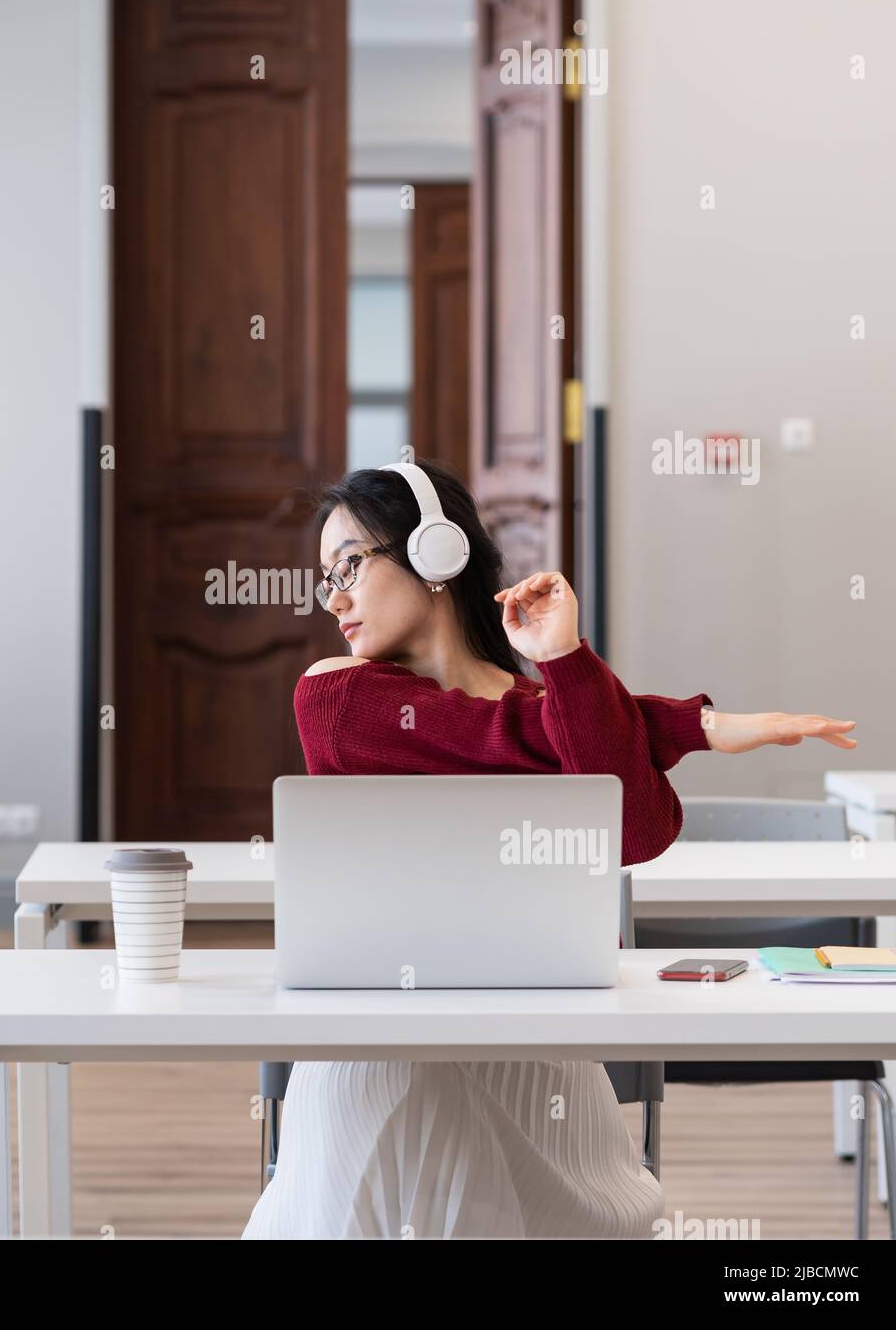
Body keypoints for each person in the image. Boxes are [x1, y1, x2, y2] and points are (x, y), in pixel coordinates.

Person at [241, 460, 856, 1239]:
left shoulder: (558, 704)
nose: (334, 597)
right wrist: (680, 726)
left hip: (538, 1056)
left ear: (435, 554)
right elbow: (488, 737)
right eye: (326, 576)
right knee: (419, 1116)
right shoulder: (336, 698)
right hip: (379, 1046)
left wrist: (565, 663)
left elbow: (635, 828)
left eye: (351, 564)